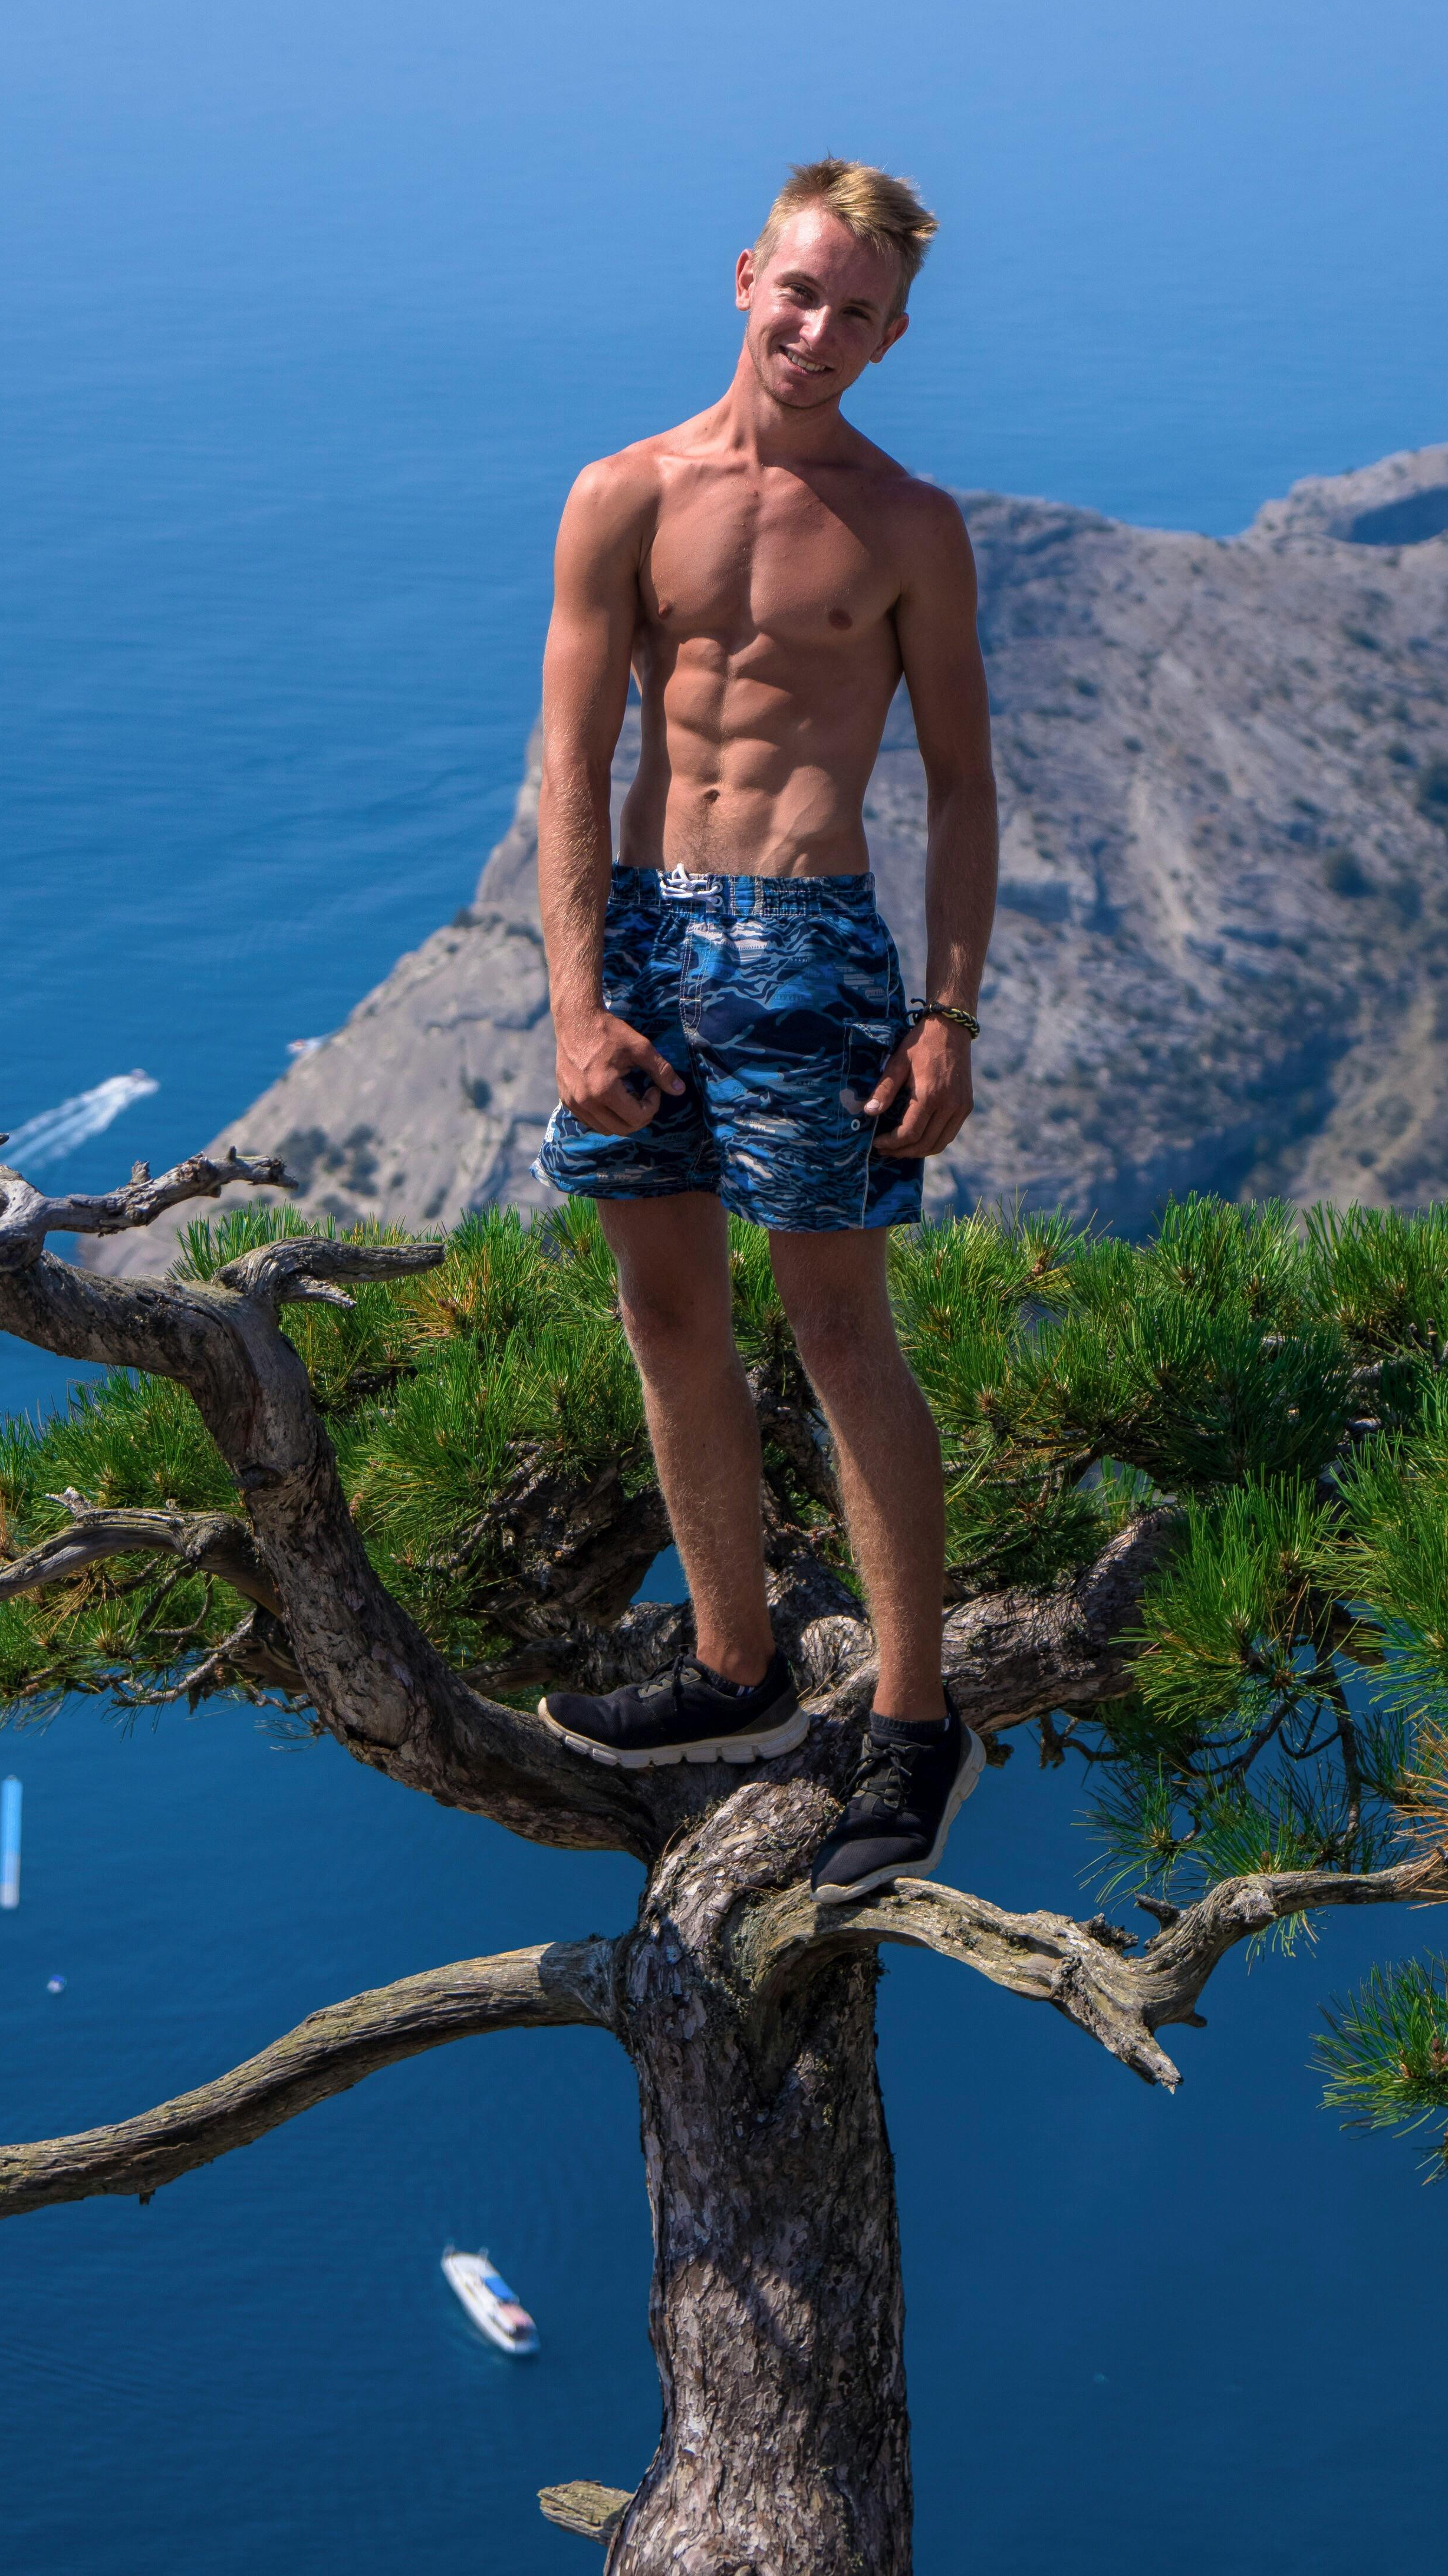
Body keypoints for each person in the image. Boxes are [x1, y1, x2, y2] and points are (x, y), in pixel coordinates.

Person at [530, 157, 999, 1901]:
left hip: (810, 943)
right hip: (651, 932)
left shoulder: (907, 526)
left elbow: (963, 784)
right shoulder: (622, 494)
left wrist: (946, 1016)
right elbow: (572, 761)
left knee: (836, 1329)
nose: (819, 330)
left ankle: (914, 1721)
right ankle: (732, 1666)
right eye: (801, 290)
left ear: (892, 340)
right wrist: (579, 999)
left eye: (858, 312)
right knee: (667, 1312)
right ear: (747, 277)